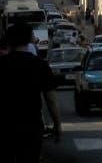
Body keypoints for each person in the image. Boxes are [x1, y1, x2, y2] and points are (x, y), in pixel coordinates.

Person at [0, 22, 62, 162]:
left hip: (5, 125)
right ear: (30, 39)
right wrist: (57, 124)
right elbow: (51, 99)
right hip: (31, 125)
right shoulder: (39, 64)